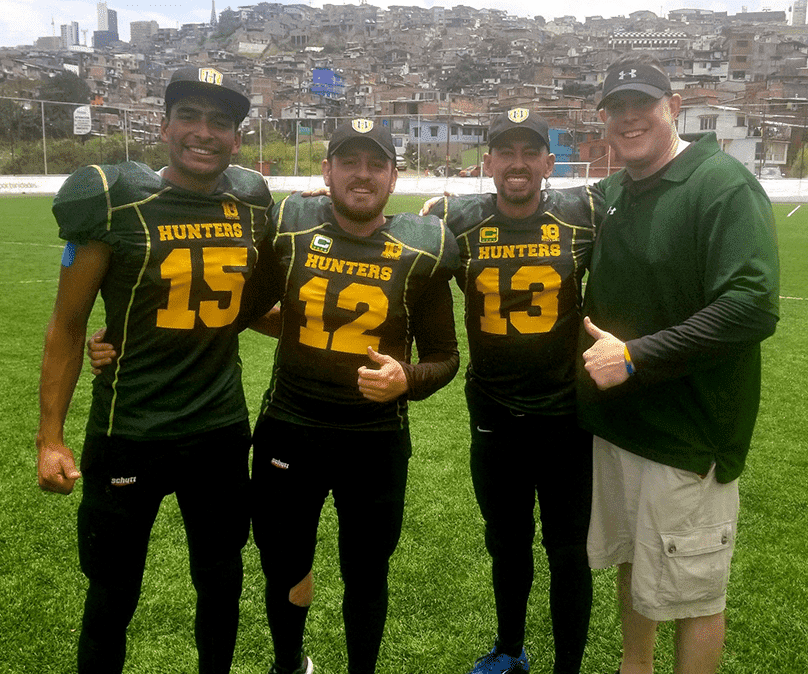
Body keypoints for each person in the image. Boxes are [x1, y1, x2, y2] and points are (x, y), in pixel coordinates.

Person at [36, 65, 272, 674]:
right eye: (189, 116)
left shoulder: (249, 203)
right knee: (113, 595)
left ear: (237, 138)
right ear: (164, 126)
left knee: (221, 585)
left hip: (219, 430)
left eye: (220, 122)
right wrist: (50, 440)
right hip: (129, 431)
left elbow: (247, 309)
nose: (204, 132)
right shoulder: (114, 201)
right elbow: (66, 326)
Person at [577, 53, 780, 674]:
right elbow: (545, 214)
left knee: (695, 599)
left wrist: (636, 357)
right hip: (621, 429)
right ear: (604, 119)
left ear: (673, 108)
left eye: (645, 104)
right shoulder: (614, 190)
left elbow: (751, 307)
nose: (630, 117)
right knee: (636, 568)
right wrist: (453, 209)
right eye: (617, 108)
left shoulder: (720, 184)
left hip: (689, 438)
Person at [242, 119, 460, 674]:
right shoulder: (291, 224)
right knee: (286, 563)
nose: (361, 175)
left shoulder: (424, 244)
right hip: (291, 425)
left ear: (394, 175)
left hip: (374, 438)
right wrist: (125, 337)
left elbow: (445, 356)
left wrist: (406, 379)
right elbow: (237, 307)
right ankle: (289, 666)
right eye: (349, 162)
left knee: (366, 570)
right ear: (327, 171)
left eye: (375, 164)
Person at [426, 109, 603, 674]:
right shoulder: (461, 223)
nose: (518, 163)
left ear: (550, 163)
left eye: (531, 153)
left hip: (567, 416)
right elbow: (396, 239)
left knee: (569, 551)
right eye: (507, 152)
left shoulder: (583, 215)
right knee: (506, 543)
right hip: (496, 416)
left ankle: (568, 668)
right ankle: (509, 649)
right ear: (490, 163)